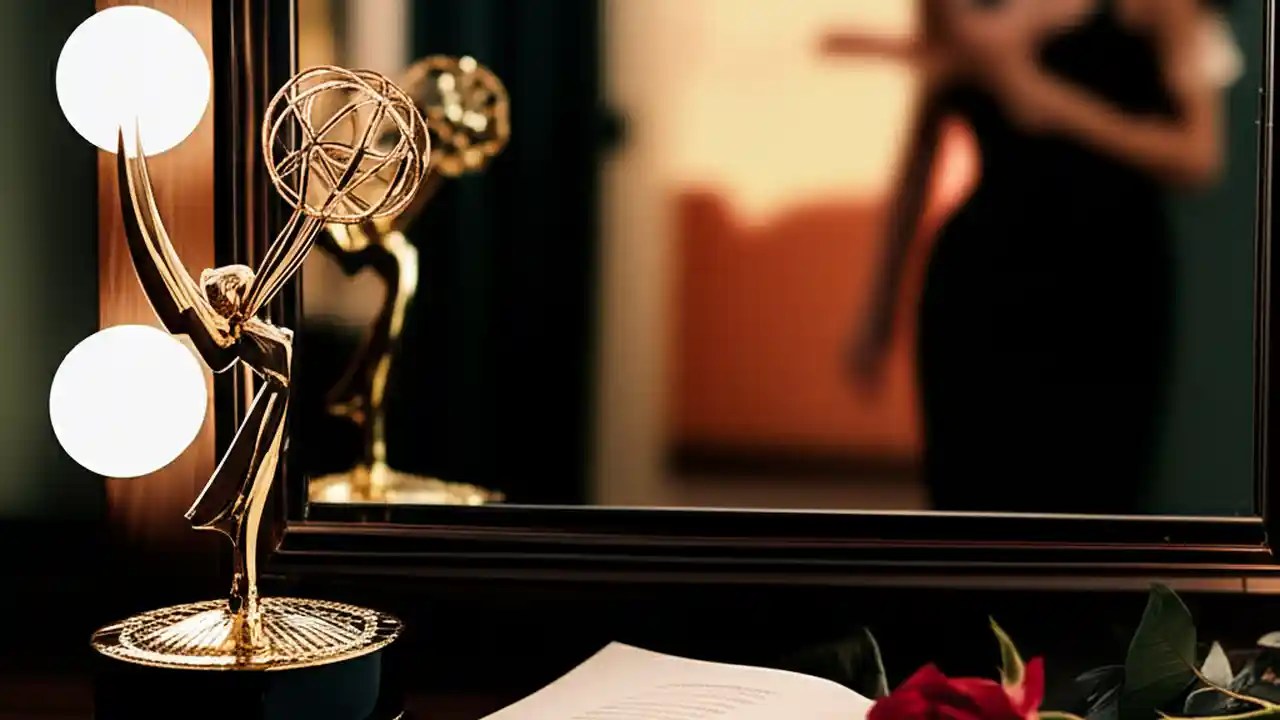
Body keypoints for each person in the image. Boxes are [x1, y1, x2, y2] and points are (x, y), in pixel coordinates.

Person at [831, 0, 1240, 512]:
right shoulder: (954, 9)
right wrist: (878, 310)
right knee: (972, 510)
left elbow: (1200, 154)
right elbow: (921, 151)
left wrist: (1058, 105)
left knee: (1093, 512)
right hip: (982, 290)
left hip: (1109, 292)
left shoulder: (1157, 8)